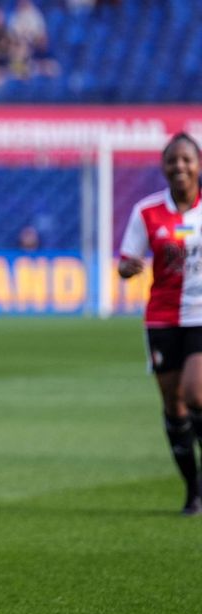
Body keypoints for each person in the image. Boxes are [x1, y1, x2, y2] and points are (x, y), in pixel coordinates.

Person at [118, 132, 202, 516]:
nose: (179, 166)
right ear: (163, 167)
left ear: (198, 165)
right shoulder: (147, 212)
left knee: (195, 393)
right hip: (163, 318)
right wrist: (128, 268)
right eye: (172, 160)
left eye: (186, 159)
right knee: (173, 405)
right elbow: (126, 262)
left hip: (200, 315)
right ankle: (193, 490)